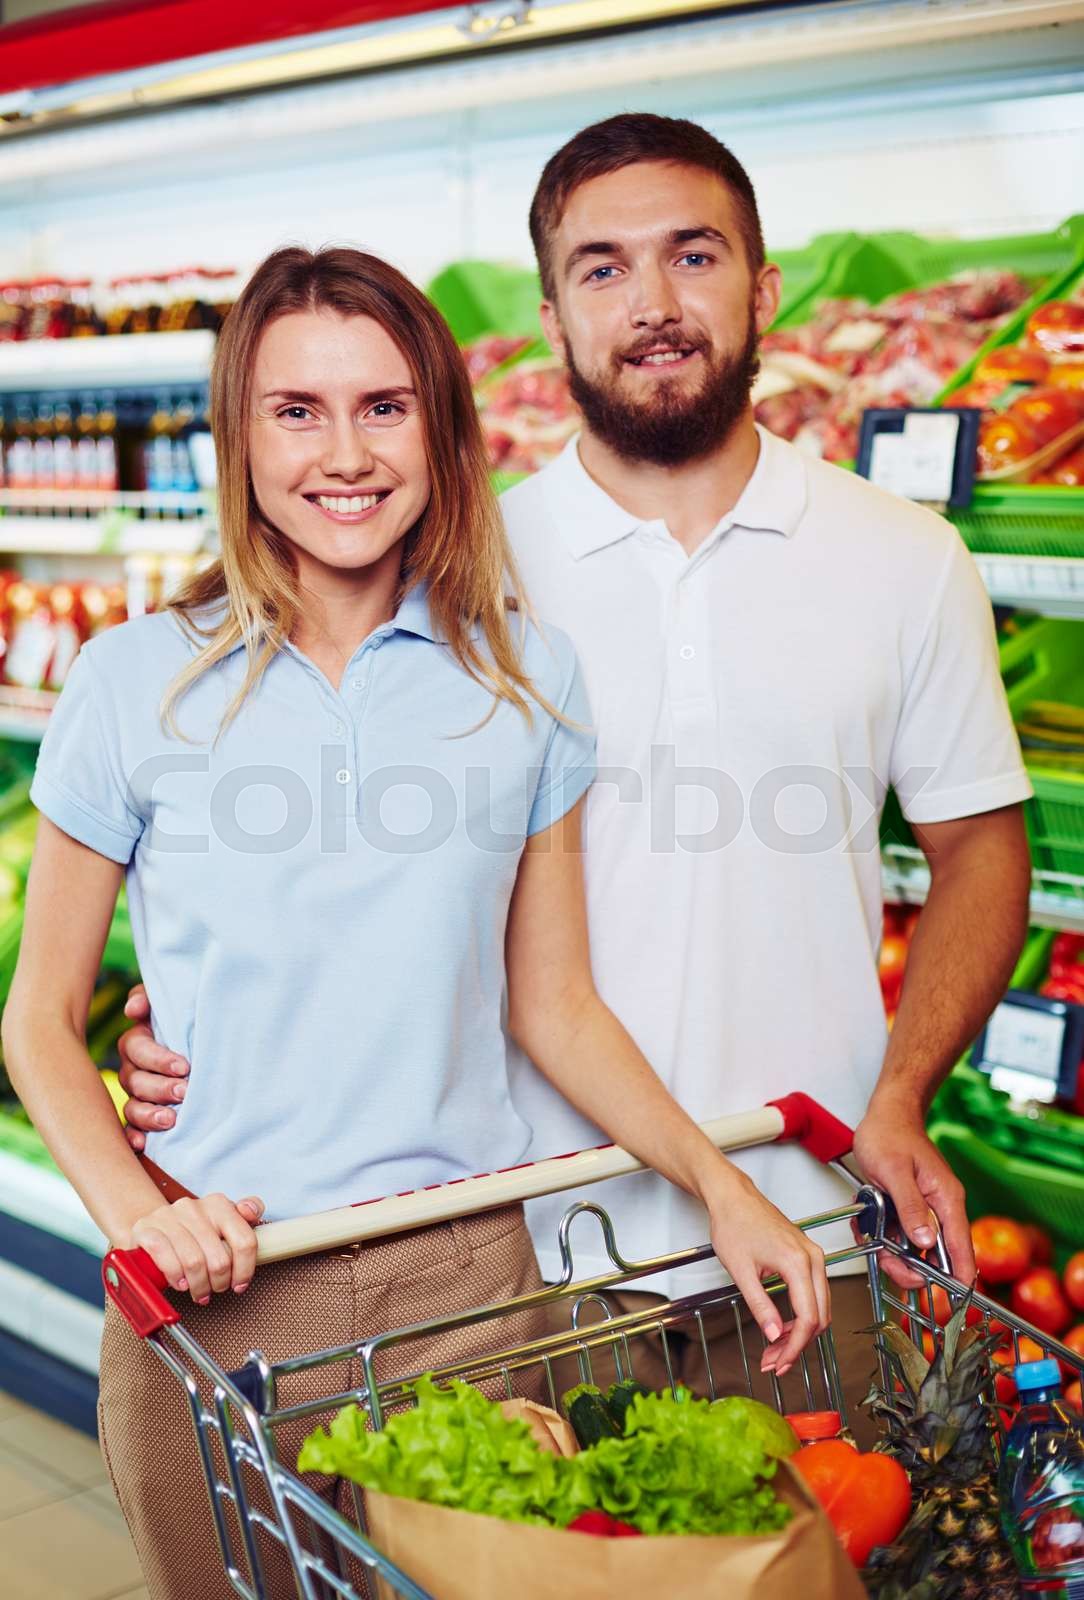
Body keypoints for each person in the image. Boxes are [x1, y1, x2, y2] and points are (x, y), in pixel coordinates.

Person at [118, 116, 1032, 1408]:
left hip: (815, 1218)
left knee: (833, 1524)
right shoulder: (449, 575)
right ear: (552, 318)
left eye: (693, 256)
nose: (652, 304)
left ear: (765, 289)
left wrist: (901, 1093)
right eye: (603, 268)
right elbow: (319, 859)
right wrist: (191, 1011)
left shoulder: (904, 560)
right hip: (517, 1263)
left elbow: (981, 851)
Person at [2, 244, 829, 1599]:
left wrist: (721, 1183)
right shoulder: (131, 680)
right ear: (239, 437)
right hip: (220, 1295)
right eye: (296, 410)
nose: (346, 454)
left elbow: (554, 1004)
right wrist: (138, 1220)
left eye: (385, 407)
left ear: (441, 432)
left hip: (470, 1294)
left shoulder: (524, 678)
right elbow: (37, 1020)